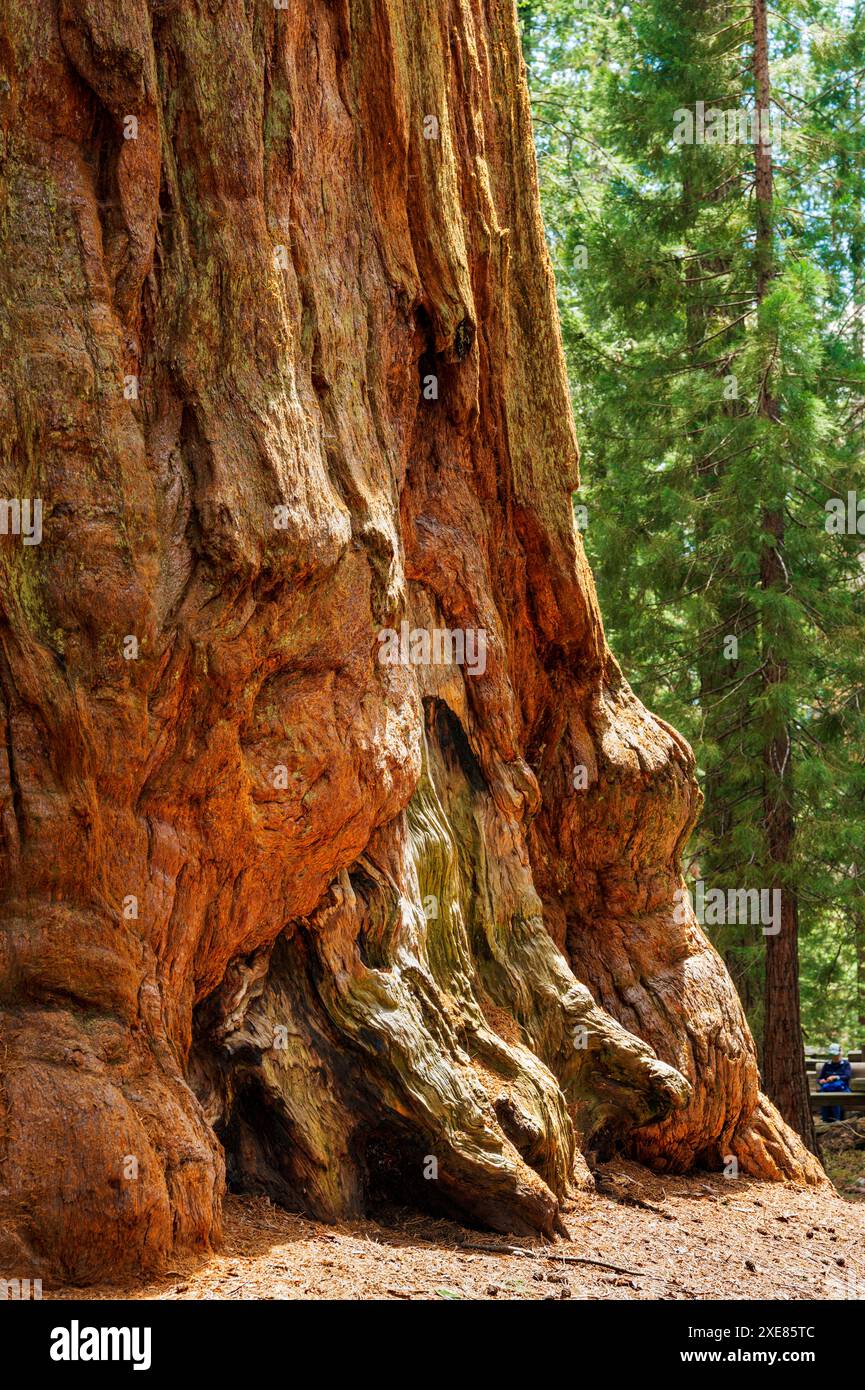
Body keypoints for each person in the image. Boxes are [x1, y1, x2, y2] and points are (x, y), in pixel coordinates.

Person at [818, 1043, 852, 1123]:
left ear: (840, 1053)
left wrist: (836, 1077)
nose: (834, 1056)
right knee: (824, 1096)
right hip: (827, 1089)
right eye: (832, 1055)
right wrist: (821, 1080)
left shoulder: (845, 1064)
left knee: (835, 1095)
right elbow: (820, 1078)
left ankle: (837, 1120)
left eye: (836, 1054)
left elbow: (847, 1076)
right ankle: (825, 1120)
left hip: (842, 1089)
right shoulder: (827, 1064)